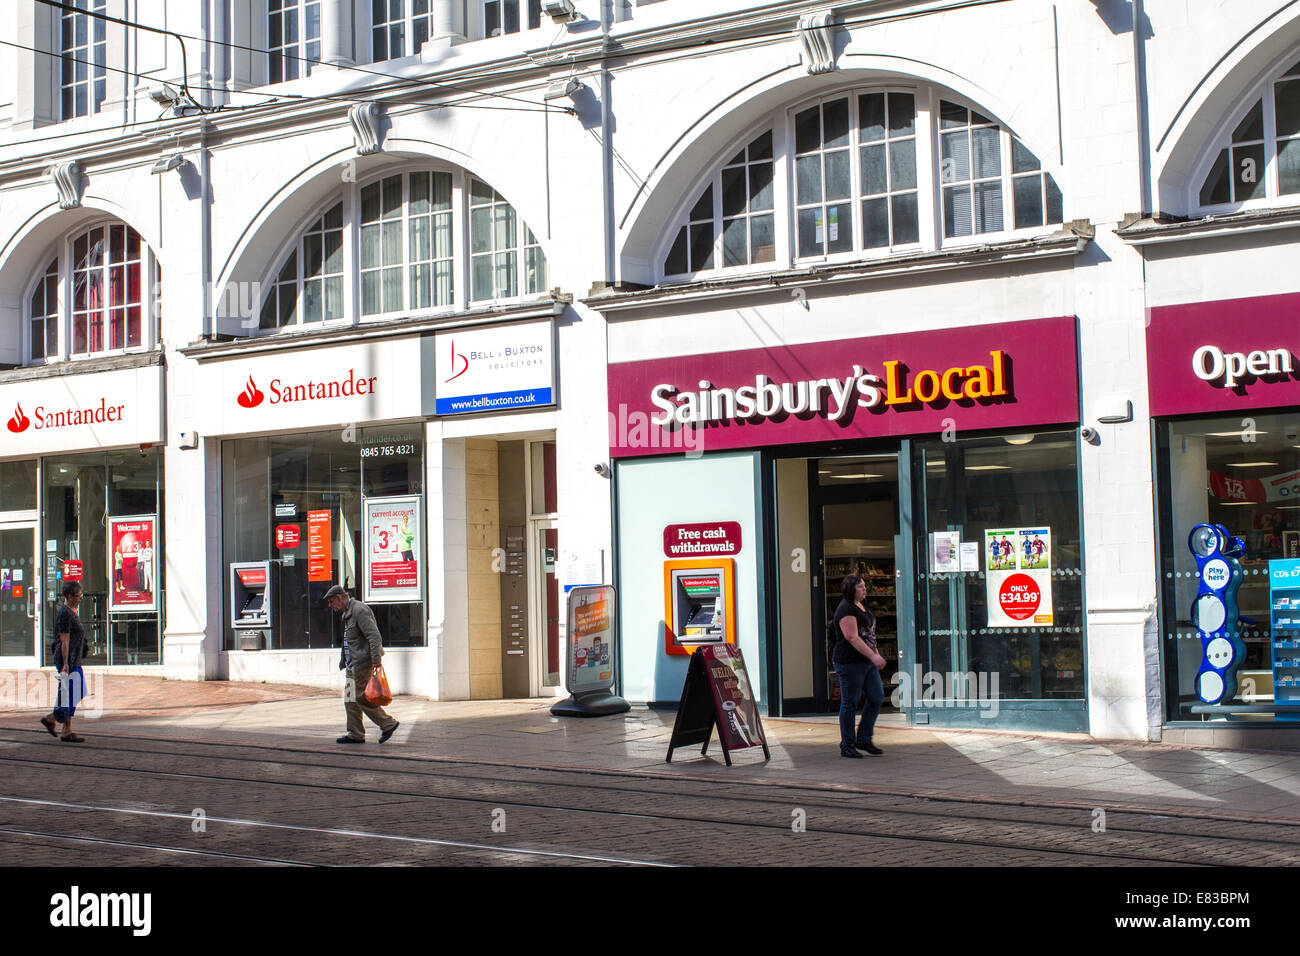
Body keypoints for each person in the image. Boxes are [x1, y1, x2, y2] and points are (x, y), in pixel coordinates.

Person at [325, 584, 399, 745]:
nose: (331, 606)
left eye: (332, 602)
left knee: (361, 698)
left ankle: (388, 723)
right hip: (352, 666)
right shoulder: (347, 613)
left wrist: (376, 659)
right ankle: (355, 734)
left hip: (362, 664)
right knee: (350, 699)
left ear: (339, 598)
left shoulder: (359, 610)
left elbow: (374, 636)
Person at [830, 573, 888, 758]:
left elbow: (869, 634)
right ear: (851, 589)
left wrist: (876, 655)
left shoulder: (862, 606)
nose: (865, 589)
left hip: (866, 662)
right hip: (849, 662)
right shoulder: (845, 609)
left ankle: (863, 738)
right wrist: (873, 656)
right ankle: (847, 744)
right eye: (861, 587)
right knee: (850, 702)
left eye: (864, 586)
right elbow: (852, 637)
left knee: (876, 697)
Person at [41, 582, 87, 743]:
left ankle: (66, 730)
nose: (81, 598)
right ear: (70, 596)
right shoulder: (64, 613)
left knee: (69, 692)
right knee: (76, 691)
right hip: (67, 658)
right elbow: (64, 640)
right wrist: (66, 663)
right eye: (79, 596)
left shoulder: (70, 611)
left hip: (74, 657)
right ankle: (51, 718)